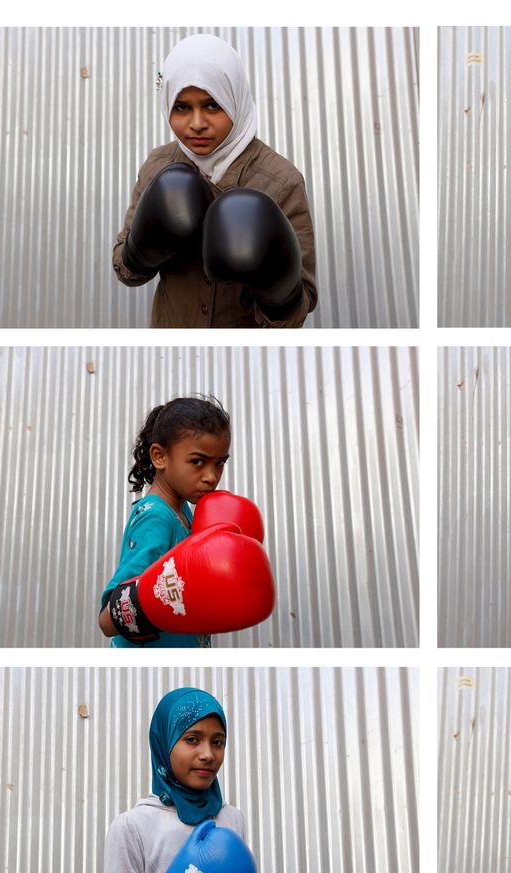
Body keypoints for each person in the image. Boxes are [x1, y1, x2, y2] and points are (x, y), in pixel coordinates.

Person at [111, 33, 317, 328]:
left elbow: (299, 306)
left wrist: (277, 288)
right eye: (182, 107)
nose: (196, 123)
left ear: (235, 99)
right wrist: (139, 250)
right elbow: (125, 270)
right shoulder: (158, 167)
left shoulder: (282, 181)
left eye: (212, 105)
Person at [101, 687, 262, 873]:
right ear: (164, 743)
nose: (208, 754)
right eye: (191, 739)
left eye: (218, 742)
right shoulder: (132, 826)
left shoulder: (231, 818)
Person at [95, 396, 274, 646]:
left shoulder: (187, 511)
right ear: (159, 456)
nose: (211, 477)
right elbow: (106, 621)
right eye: (197, 462)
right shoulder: (155, 517)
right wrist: (149, 597)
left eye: (219, 463)